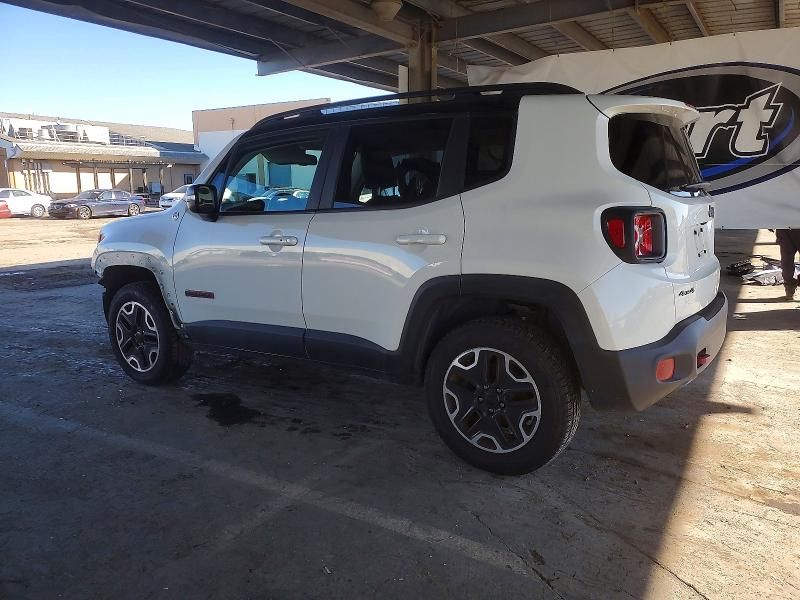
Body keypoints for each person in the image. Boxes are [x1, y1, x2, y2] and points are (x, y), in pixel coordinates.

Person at [776, 228, 800, 300]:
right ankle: (789, 289)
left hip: (784, 227)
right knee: (787, 260)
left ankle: (789, 290)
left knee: (787, 259)